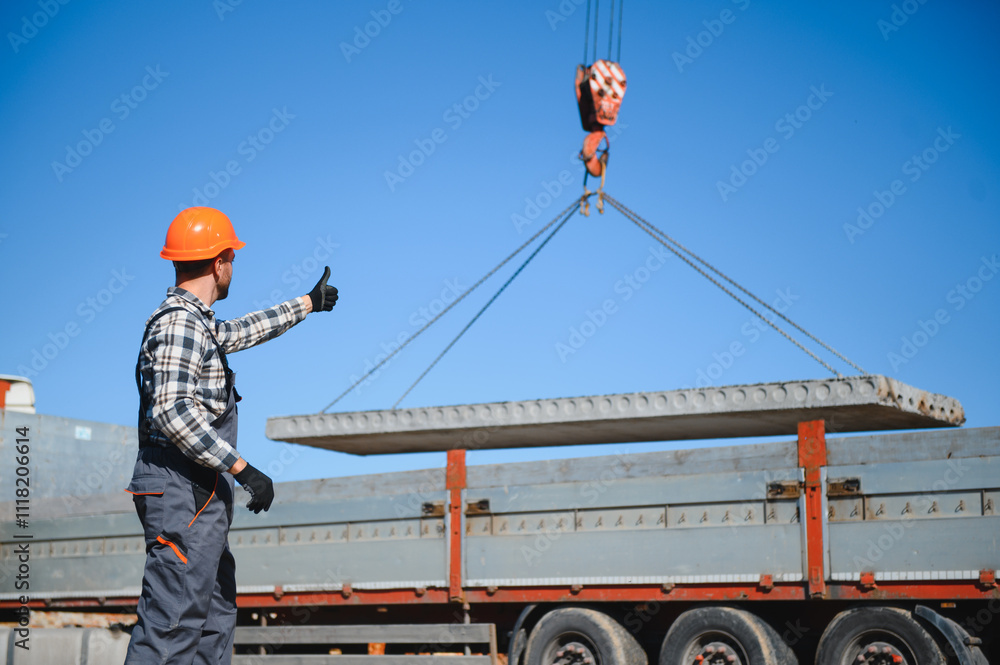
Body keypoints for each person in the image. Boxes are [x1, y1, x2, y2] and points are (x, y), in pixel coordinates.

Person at [124, 206, 338, 664]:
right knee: (173, 626)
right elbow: (172, 412)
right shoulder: (179, 323)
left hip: (199, 493)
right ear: (220, 262)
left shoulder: (197, 323)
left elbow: (240, 331)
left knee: (212, 625)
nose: (233, 268)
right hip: (183, 490)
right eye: (232, 259)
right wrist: (243, 468)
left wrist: (307, 303)